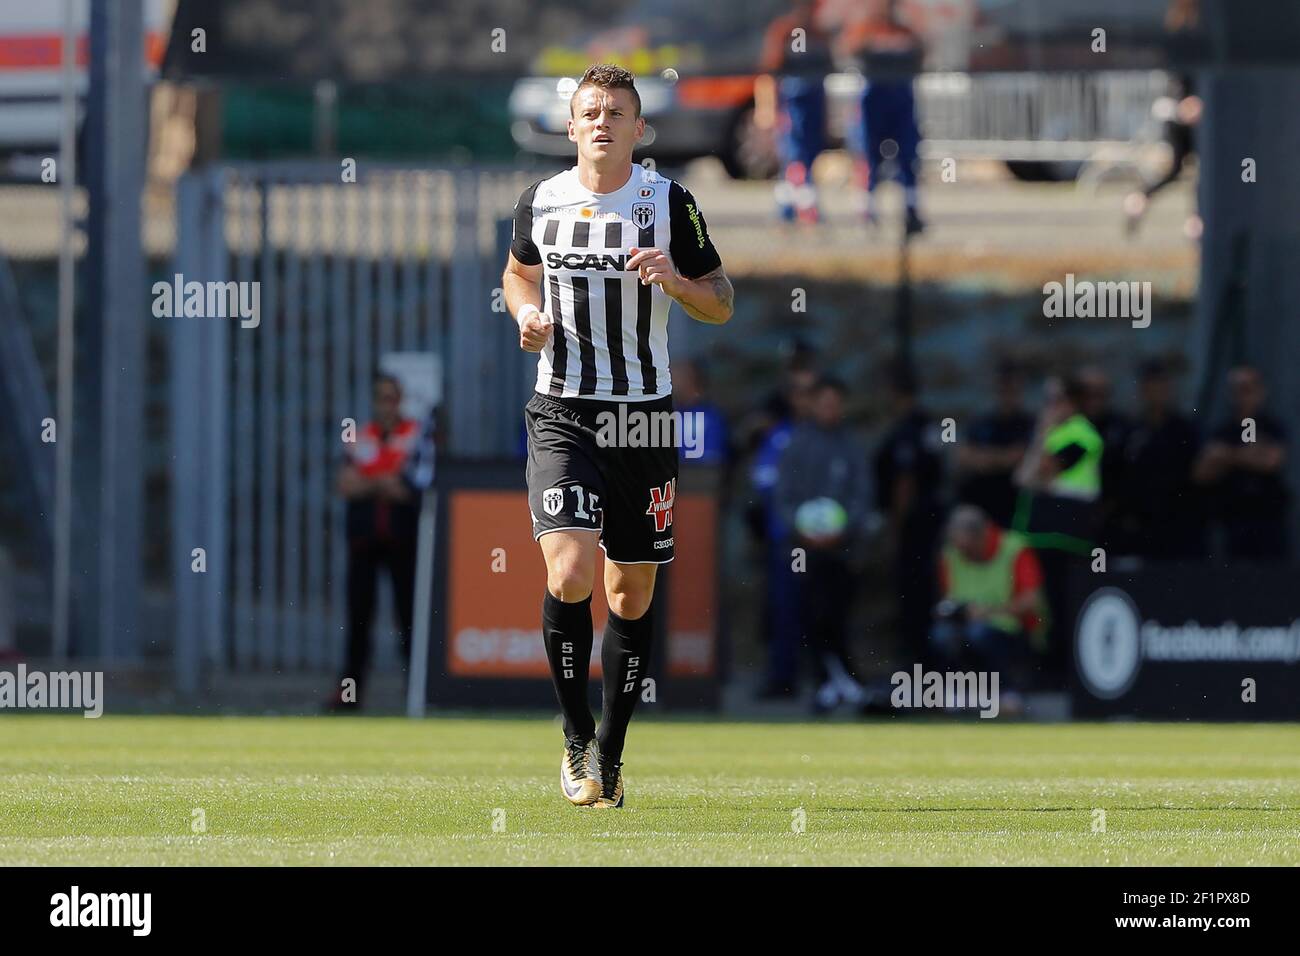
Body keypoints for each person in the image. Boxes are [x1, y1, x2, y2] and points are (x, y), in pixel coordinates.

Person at [502, 64, 734, 809]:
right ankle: (575, 742)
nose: (602, 121)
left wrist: (678, 282)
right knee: (569, 572)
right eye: (591, 111)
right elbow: (517, 275)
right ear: (571, 126)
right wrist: (526, 315)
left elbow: (721, 301)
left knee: (629, 591)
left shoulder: (670, 204)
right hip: (563, 411)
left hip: (643, 417)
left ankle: (612, 750)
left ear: (640, 128)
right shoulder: (540, 200)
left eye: (616, 112)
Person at [774, 375, 871, 712]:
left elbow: (863, 495)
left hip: (843, 550)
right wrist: (802, 529)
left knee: (836, 615)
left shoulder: (853, 446)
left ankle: (842, 680)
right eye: (824, 402)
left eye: (835, 403)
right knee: (810, 615)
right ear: (814, 404)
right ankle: (827, 682)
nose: (830, 408)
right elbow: (783, 496)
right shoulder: (797, 445)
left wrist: (843, 530)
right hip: (804, 550)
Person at [331, 374, 421, 710]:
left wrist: (369, 480)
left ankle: (417, 694)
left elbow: (411, 489)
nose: (387, 405)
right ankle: (349, 697)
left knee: (409, 619)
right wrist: (383, 481)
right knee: (358, 621)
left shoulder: (415, 435)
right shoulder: (360, 436)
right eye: (381, 398)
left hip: (403, 542)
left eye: (392, 398)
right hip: (364, 543)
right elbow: (346, 485)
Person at [1012, 375, 1103, 680]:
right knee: (1042, 605)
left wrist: (1041, 434)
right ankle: (1044, 668)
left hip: (1066, 537)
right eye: (1047, 401)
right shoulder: (1050, 435)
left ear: (1072, 403)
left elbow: (1042, 472)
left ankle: (1062, 673)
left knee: (1062, 604)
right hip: (1040, 536)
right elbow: (1023, 479)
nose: (1049, 408)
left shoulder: (1083, 434)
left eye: (1056, 400)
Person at [750, 362, 818, 698]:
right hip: (788, 540)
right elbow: (765, 482)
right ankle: (783, 678)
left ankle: (828, 679)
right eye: (801, 394)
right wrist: (800, 519)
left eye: (812, 393)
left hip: (830, 543)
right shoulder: (780, 436)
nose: (807, 400)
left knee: (825, 611)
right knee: (784, 610)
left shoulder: (831, 438)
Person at [932, 506, 1046, 700]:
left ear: (979, 537)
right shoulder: (951, 553)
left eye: (967, 549)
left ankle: (1006, 691)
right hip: (964, 624)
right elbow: (948, 595)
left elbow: (1032, 601)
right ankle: (958, 691)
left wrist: (988, 612)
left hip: (1012, 628)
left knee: (978, 634)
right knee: (940, 635)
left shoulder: (1014, 548)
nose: (962, 554)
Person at [873, 362, 944, 665]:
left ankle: (917, 658)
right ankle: (924, 657)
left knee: (912, 590)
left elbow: (905, 480)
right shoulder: (928, 425)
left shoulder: (907, 429)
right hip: (931, 519)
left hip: (913, 524)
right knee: (924, 588)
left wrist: (895, 525)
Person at [837, 0, 925, 233]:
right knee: (868, 156)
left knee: (908, 156)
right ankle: (867, 213)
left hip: (901, 101)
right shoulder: (866, 29)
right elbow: (848, 49)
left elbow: (922, 52)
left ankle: (911, 212)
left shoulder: (905, 32)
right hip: (873, 101)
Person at [1111, 358, 1204, 560]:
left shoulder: (1184, 430)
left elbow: (1197, 473)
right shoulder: (1130, 431)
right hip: (1138, 527)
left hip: (1177, 526)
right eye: (1151, 386)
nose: (1156, 392)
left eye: (1161, 386)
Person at [1193, 366, 1290, 560]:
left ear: (1261, 391)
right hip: (1232, 519)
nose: (1243, 396)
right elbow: (1201, 473)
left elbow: (1272, 461)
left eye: (1248, 389)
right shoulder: (1222, 430)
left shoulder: (1272, 426)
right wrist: (1248, 455)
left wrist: (1226, 455)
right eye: (1237, 390)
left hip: (1267, 520)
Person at [756, 0, 836, 223]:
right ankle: (798, 207)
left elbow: (827, 73)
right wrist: (766, 108)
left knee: (809, 154)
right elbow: (768, 73)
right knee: (794, 153)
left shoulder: (819, 34)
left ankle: (793, 205)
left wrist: (828, 114)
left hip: (815, 102)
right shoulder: (783, 31)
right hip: (792, 102)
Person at [955, 361, 1034, 527]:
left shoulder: (1029, 423)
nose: (1006, 394)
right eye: (1003, 388)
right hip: (979, 503)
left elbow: (1019, 457)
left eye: (1011, 389)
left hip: (1013, 505)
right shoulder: (981, 421)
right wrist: (1001, 457)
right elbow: (963, 456)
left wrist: (984, 457)